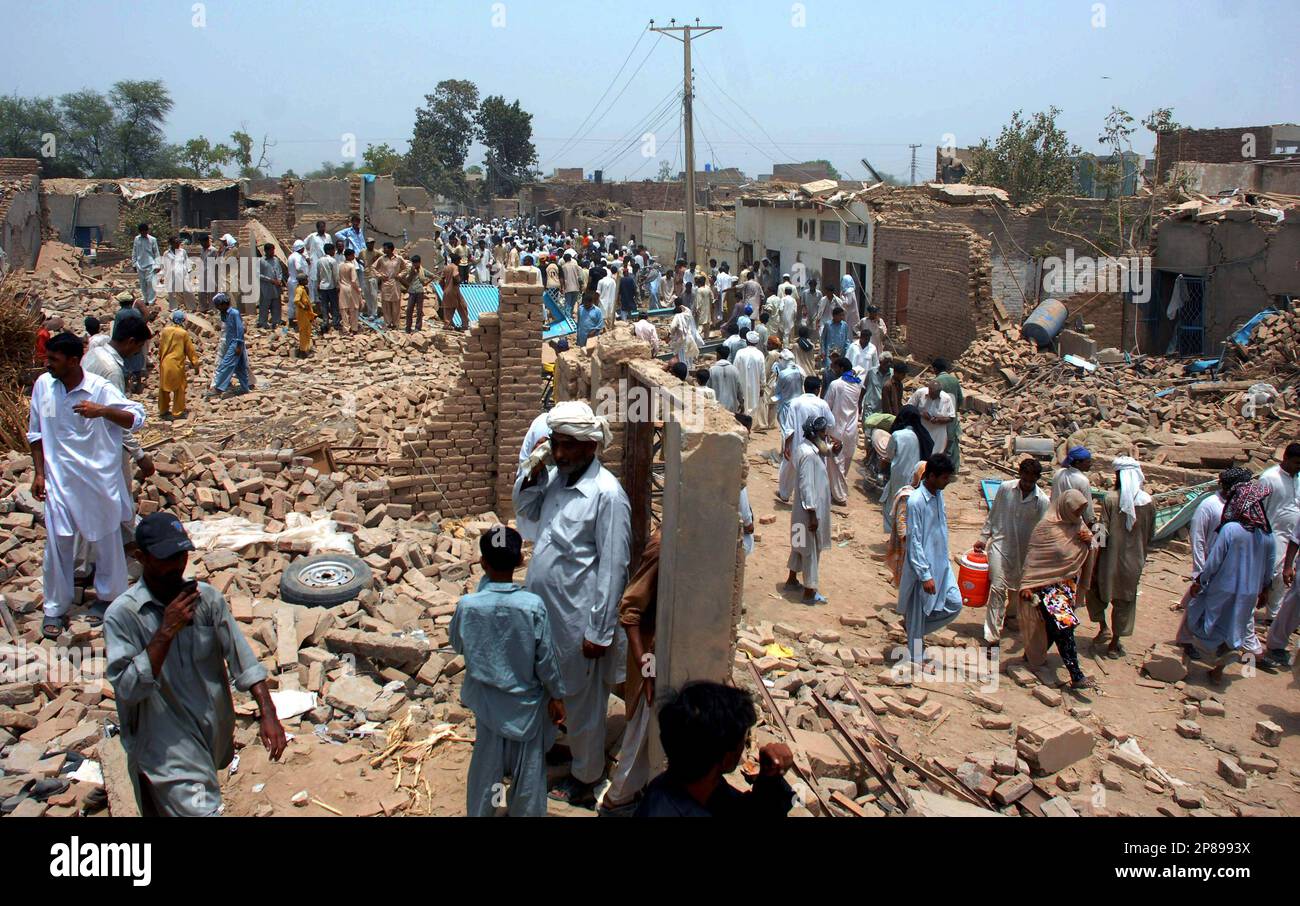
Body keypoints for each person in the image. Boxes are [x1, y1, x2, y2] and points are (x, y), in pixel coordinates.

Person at [103, 512, 286, 816]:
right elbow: (128, 689)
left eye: (181, 555)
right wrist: (165, 632)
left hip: (210, 736)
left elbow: (242, 659)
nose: (176, 566)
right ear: (142, 558)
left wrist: (268, 712)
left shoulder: (207, 601)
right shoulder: (123, 616)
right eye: (166, 558)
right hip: (166, 746)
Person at [513, 401, 631, 808]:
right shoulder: (557, 483)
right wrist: (536, 465)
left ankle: (585, 777)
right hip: (544, 614)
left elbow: (613, 568)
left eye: (568, 447)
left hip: (577, 621)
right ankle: (556, 748)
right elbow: (523, 509)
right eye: (556, 445)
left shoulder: (607, 495)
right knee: (548, 688)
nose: (560, 454)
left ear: (591, 446)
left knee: (582, 702)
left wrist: (599, 631)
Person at [28, 333, 146, 637]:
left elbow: (136, 417)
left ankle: (109, 599)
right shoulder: (44, 386)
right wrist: (39, 473)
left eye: (53, 359)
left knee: (107, 545)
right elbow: (36, 434)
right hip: (58, 483)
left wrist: (102, 411)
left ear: (72, 360)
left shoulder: (99, 389)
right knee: (58, 544)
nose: (47, 364)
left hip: (96, 483)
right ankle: (55, 608)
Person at [450, 526, 565, 817]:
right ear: (519, 563)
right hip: (526, 708)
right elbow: (546, 660)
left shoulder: (468, 606)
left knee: (486, 773)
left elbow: (458, 644)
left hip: (488, 706)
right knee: (529, 775)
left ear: (482, 563)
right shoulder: (533, 606)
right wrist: (557, 696)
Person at [634, 681, 794, 817]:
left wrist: (769, 778)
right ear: (727, 759)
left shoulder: (692, 785)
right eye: (742, 740)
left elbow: (748, 812)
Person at [1178, 480, 1275, 682]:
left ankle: (1199, 653)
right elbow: (1269, 568)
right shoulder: (1267, 536)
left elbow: (1214, 560)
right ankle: (1218, 670)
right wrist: (1265, 590)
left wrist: (1200, 580)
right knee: (1234, 627)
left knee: (1199, 616)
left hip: (1222, 586)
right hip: (1249, 592)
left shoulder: (1231, 529)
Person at [601, 530, 662, 814]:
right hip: (652, 664)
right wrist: (647, 668)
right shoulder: (663, 545)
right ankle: (616, 803)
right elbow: (630, 611)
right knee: (638, 742)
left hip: (673, 663)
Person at [1016, 489, 1096, 689]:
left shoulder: (1078, 526)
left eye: (1081, 511)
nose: (1079, 515)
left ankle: (1033, 654)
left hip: (1067, 587)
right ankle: (1076, 675)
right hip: (1046, 587)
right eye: (1076, 510)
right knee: (1065, 626)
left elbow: (1093, 547)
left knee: (1054, 626)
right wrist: (1027, 585)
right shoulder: (1045, 528)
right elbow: (1033, 558)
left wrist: (1090, 543)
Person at [975, 458, 1050, 648]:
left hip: (1025, 552)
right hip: (1001, 545)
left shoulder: (1041, 501)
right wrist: (983, 538)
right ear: (1019, 475)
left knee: (1016, 589)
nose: (1026, 484)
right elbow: (993, 515)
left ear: (1036, 480)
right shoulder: (1006, 489)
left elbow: (1042, 532)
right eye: (1024, 480)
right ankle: (992, 634)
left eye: (1030, 481)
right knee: (998, 588)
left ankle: (1010, 615)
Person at [897, 453, 962, 664]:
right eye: (944, 478)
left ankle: (914, 629)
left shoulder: (938, 495)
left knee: (954, 603)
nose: (947, 482)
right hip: (922, 567)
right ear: (931, 476)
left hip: (941, 562)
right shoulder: (916, 501)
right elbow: (914, 540)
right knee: (917, 609)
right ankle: (915, 654)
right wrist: (924, 574)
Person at [1087, 457, 1155, 658]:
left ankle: (1103, 627)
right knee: (1125, 601)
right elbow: (1151, 534)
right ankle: (1114, 643)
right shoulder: (1149, 501)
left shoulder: (1110, 499)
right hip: (1134, 560)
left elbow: (1103, 535)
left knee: (1097, 592)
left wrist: (1092, 532)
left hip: (1110, 559)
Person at [785, 415, 835, 606]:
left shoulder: (804, 448)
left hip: (800, 510)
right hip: (809, 513)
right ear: (815, 434)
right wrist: (812, 514)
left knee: (799, 545)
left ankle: (791, 579)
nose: (825, 436)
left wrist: (833, 450)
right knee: (810, 550)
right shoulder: (809, 455)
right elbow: (807, 485)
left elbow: (825, 451)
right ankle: (809, 592)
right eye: (823, 433)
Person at [1259, 443, 1300, 620]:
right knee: (1272, 574)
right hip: (1273, 533)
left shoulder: (1298, 478)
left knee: (1287, 574)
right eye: (1297, 463)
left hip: (1294, 535)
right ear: (1286, 458)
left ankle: (1273, 615)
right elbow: (1260, 509)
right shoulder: (1269, 478)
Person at [778, 376, 834, 504]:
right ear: (817, 389)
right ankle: (812, 500)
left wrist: (787, 446)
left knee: (789, 469)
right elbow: (831, 423)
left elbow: (789, 427)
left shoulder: (796, 402)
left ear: (804, 387)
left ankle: (785, 494)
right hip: (816, 444)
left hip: (797, 443)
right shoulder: (822, 404)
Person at [1190, 467, 1253, 576]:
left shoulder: (1245, 506)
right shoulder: (1209, 506)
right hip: (1212, 568)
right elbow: (1197, 539)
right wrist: (1200, 572)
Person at [881, 405, 932, 532]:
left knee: (893, 505)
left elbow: (890, 454)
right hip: (915, 476)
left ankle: (896, 534)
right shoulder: (920, 435)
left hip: (898, 473)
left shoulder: (897, 435)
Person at [823, 357, 863, 506]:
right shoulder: (857, 385)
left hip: (837, 429)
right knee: (845, 461)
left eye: (835, 367)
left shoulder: (836, 385)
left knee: (835, 463)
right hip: (851, 429)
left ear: (840, 368)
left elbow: (827, 406)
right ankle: (838, 489)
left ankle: (839, 495)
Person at [885, 462, 927, 586]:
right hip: (908, 541)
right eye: (923, 476)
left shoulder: (927, 495)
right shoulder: (907, 495)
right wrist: (906, 538)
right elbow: (901, 519)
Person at [157, 310, 199, 419]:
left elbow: (161, 347)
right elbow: (190, 350)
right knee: (179, 388)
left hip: (165, 362)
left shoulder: (165, 331)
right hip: (176, 363)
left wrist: (160, 360)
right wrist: (195, 363)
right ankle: (177, 411)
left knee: (163, 388)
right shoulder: (183, 333)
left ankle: (163, 410)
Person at [209, 294, 250, 397]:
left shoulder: (234, 313)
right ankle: (245, 388)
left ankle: (218, 388)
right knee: (240, 367)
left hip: (235, 343)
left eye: (218, 305)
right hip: (231, 343)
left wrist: (238, 345)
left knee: (225, 365)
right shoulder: (225, 314)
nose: (217, 308)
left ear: (223, 304)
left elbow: (240, 329)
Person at [908, 378, 956, 460]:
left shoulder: (946, 398)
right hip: (920, 431)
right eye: (932, 394)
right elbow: (908, 408)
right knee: (918, 454)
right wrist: (921, 414)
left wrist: (938, 420)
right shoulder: (920, 393)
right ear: (929, 389)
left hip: (937, 435)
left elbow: (951, 418)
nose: (933, 396)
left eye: (936, 394)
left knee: (934, 457)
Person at [1051, 446, 1096, 526]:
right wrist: (1091, 524)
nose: (1090, 464)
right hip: (1072, 524)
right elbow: (1087, 509)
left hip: (1054, 520)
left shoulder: (1058, 473)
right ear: (1078, 463)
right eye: (1088, 462)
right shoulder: (1083, 481)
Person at [932, 358, 964, 471]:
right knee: (952, 444)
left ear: (935, 369)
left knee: (940, 446)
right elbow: (960, 399)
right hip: (952, 418)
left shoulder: (936, 382)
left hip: (941, 420)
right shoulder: (954, 380)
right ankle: (953, 470)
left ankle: (941, 470)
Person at [112, 292, 147, 393]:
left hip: (124, 341)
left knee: (125, 363)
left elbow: (116, 329)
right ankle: (139, 385)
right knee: (137, 362)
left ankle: (127, 386)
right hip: (136, 341)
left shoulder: (120, 314)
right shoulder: (136, 312)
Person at [734, 331, 767, 422]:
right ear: (756, 343)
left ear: (747, 341)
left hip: (741, 385)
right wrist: (762, 387)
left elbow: (735, 368)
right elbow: (762, 373)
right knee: (753, 405)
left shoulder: (740, 353)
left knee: (742, 404)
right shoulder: (760, 354)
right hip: (754, 386)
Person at [372, 241, 406, 329]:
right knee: (386, 304)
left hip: (395, 284)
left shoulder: (399, 258)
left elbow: (406, 268)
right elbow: (373, 268)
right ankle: (387, 323)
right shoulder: (381, 259)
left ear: (391, 249)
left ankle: (396, 323)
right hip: (385, 284)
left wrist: (400, 275)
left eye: (385, 248)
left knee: (396, 304)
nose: (383, 250)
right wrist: (380, 276)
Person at [820, 306, 850, 388]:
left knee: (839, 373)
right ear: (834, 316)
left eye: (842, 315)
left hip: (841, 354)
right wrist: (822, 351)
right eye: (840, 315)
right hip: (829, 354)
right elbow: (823, 339)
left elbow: (847, 339)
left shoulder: (845, 325)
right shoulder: (828, 325)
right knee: (829, 372)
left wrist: (847, 350)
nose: (842, 317)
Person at [132, 223, 161, 307]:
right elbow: (134, 251)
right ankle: (145, 300)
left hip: (150, 264)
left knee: (151, 283)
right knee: (143, 283)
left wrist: (158, 265)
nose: (143, 233)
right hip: (140, 264)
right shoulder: (137, 239)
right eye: (142, 232)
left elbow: (156, 252)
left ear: (147, 231)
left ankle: (151, 301)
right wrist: (134, 263)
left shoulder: (152, 239)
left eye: (145, 231)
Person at [304, 220, 332, 307]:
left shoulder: (328, 236)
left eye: (324, 227)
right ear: (317, 228)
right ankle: (314, 302)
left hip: (326, 262)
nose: (323, 229)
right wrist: (307, 256)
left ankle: (325, 302)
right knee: (314, 281)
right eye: (321, 227)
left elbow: (330, 248)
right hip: (315, 262)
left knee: (325, 280)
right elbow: (303, 245)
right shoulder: (312, 237)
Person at [256, 243, 284, 329]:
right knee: (264, 306)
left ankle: (276, 322)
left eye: (273, 250)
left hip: (276, 287)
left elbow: (280, 271)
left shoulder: (276, 260)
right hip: (266, 288)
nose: (272, 252)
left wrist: (279, 279)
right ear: (266, 251)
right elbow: (258, 274)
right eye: (271, 250)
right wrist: (270, 280)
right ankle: (263, 322)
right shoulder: (261, 261)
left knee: (276, 305)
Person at [668, 299, 703, 368]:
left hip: (682, 339)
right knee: (689, 355)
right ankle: (689, 368)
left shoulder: (678, 316)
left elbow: (672, 327)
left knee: (682, 357)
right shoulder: (688, 312)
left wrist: (671, 334)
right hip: (690, 337)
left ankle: (684, 372)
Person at [162, 235, 193, 312]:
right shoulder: (166, 253)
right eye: (175, 242)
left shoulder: (183, 252)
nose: (178, 244)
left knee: (187, 290)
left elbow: (186, 261)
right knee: (172, 293)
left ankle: (191, 307)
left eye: (178, 242)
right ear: (171, 243)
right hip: (171, 275)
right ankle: (173, 308)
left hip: (183, 274)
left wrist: (189, 271)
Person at [315, 243, 341, 334]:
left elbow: (317, 274)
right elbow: (336, 275)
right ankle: (335, 322)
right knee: (334, 305)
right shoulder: (332, 261)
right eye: (333, 250)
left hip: (322, 287)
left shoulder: (319, 261)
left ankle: (325, 322)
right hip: (331, 286)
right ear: (330, 251)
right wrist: (338, 285)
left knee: (324, 306)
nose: (334, 252)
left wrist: (318, 284)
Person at [401, 254, 428, 333]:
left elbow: (432, 276)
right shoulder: (410, 270)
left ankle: (418, 327)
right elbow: (407, 279)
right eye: (414, 263)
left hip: (420, 292)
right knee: (409, 309)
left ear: (419, 263)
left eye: (416, 263)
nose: (415, 265)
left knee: (419, 310)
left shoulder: (423, 270)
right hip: (412, 292)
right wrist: (412, 273)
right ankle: (408, 327)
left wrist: (426, 282)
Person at [440, 253, 468, 329]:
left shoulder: (446, 268)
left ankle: (447, 324)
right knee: (463, 307)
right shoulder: (455, 267)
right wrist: (459, 280)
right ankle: (465, 325)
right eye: (459, 261)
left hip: (447, 291)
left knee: (448, 308)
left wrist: (444, 289)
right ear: (457, 261)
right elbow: (455, 275)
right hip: (455, 291)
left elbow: (440, 281)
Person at [338, 247, 363, 333]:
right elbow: (353, 280)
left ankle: (345, 329)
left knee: (344, 309)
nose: (354, 256)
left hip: (342, 288)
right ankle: (354, 328)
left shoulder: (340, 265)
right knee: (354, 309)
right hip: (351, 288)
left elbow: (338, 278)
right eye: (353, 255)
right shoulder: (352, 266)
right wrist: (358, 289)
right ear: (350, 256)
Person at [286, 239, 308, 324]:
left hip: (292, 280)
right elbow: (298, 268)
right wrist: (304, 278)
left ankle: (293, 318)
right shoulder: (297, 257)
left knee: (293, 299)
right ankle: (294, 319)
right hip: (296, 281)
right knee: (295, 300)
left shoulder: (292, 256)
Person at [293, 282, 316, 356]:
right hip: (302, 314)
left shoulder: (303, 289)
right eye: (305, 280)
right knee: (304, 331)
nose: (307, 280)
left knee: (307, 330)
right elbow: (296, 300)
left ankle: (306, 348)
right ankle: (303, 350)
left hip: (306, 314)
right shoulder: (300, 289)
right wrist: (303, 306)